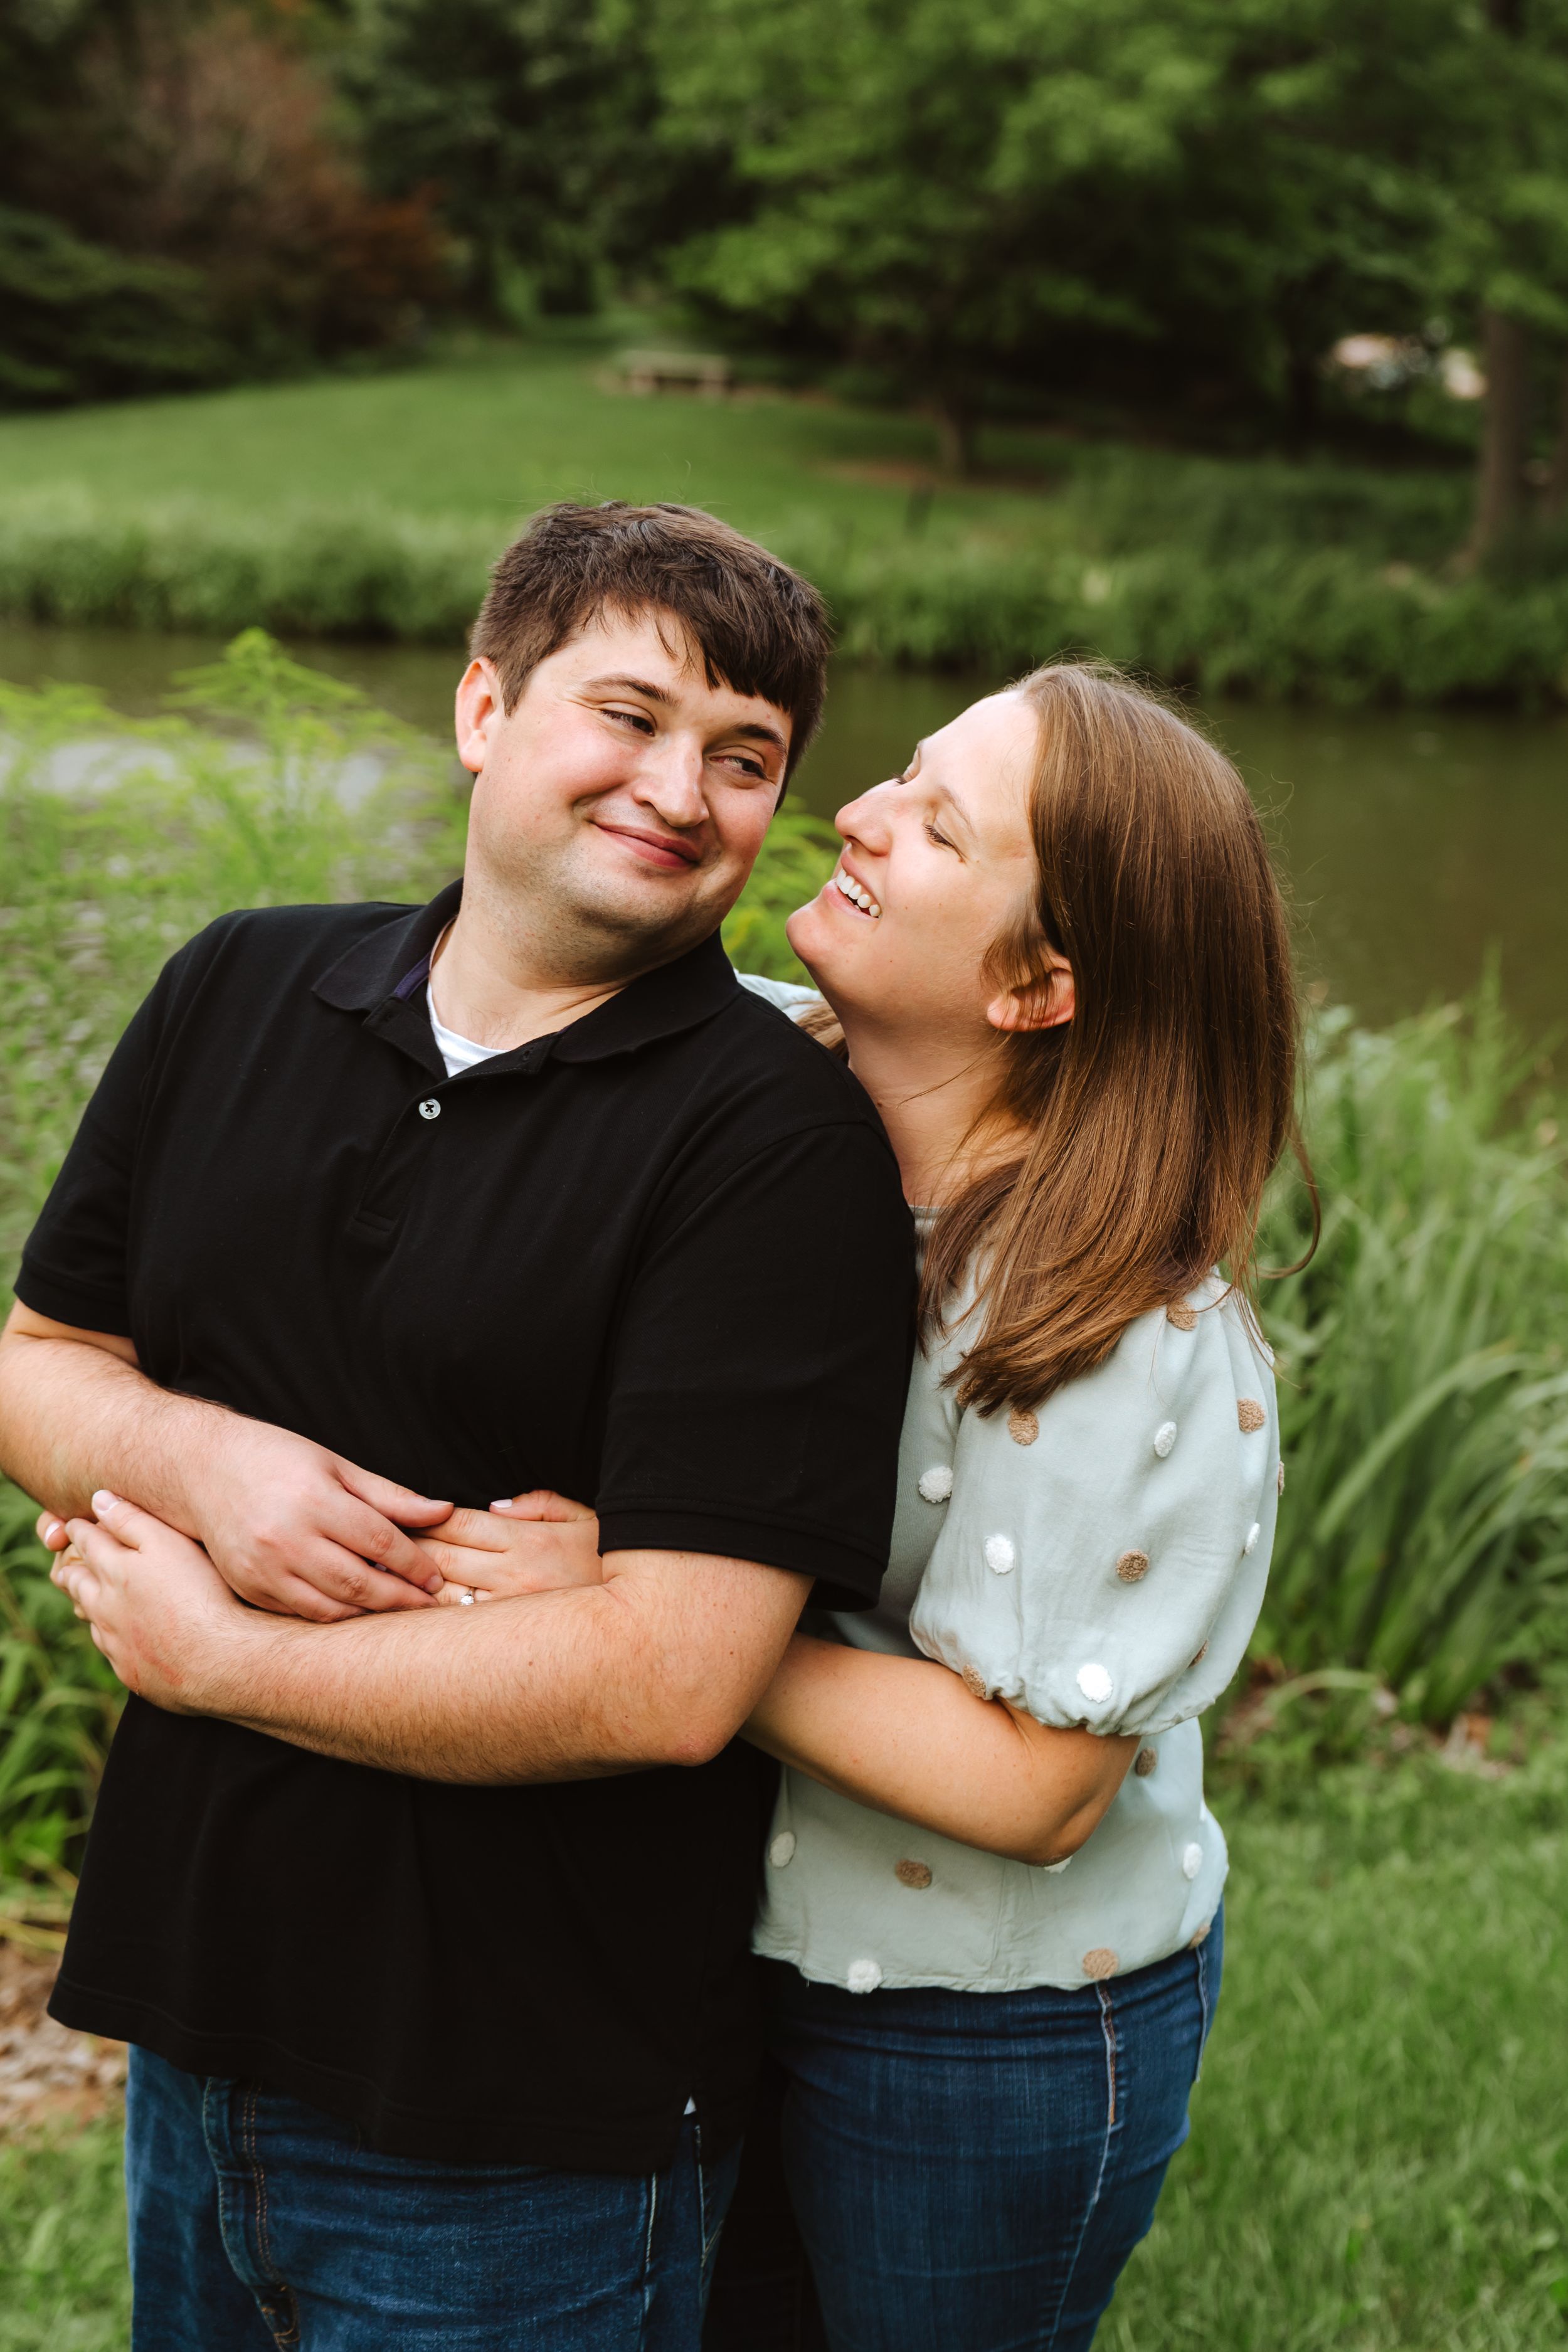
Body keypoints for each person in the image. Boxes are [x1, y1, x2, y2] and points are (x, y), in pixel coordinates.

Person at [164, 657, 1295, 2351]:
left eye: (938, 827)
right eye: (901, 773)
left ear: (1038, 983)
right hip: (724, 1948)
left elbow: (1038, 1785)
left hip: (977, 2021)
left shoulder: (1124, 1328)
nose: (861, 815)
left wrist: (639, 1611)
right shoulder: (744, 1085)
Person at [0, 501, 917, 2351]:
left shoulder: (777, 1145)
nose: (681, 790)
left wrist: (222, 1659)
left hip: (526, 2117)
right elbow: (41, 1358)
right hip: (200, 2015)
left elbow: (672, 1679)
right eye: (628, 716)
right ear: (484, 709)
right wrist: (205, 1463)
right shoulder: (237, 985)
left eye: (744, 757)